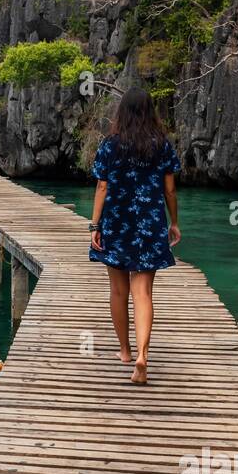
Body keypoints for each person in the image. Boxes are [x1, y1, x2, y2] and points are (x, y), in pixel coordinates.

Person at [88, 87, 182, 385]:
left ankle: (126, 352)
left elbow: (102, 188)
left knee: (118, 291)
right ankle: (143, 354)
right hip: (150, 224)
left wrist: (94, 225)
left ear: (122, 112)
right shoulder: (162, 145)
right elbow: (169, 189)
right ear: (149, 111)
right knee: (143, 293)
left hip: (116, 223)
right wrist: (174, 222)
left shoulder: (109, 145)